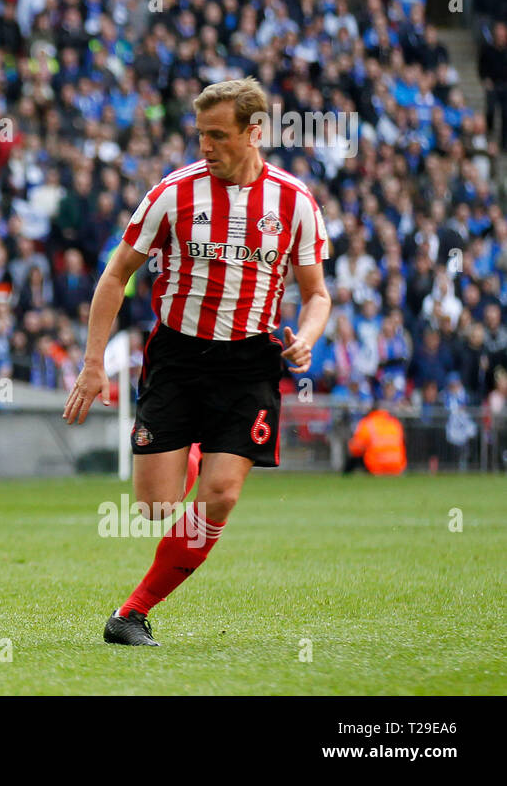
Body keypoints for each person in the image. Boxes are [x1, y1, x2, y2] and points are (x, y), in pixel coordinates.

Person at [64, 77, 332, 646]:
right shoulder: (173, 193)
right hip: (178, 359)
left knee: (222, 494)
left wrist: (306, 336)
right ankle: (185, 454)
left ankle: (131, 614)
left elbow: (317, 293)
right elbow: (116, 274)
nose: (205, 147)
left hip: (250, 365)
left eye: (218, 136)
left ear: (254, 133)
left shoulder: (295, 202)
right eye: (200, 135)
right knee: (158, 508)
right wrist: (93, 363)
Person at [346, 402, 407, 475]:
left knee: (354, 458)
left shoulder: (368, 423)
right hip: (397, 465)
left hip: (376, 465)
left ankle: (344, 477)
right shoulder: (395, 423)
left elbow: (356, 448)